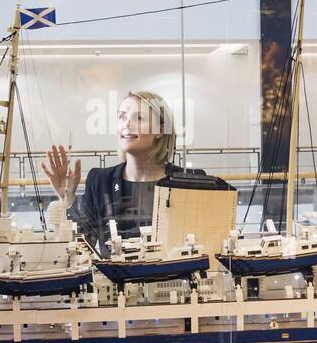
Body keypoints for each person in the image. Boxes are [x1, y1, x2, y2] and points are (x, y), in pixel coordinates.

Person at [41, 90, 200, 256]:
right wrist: (67, 198)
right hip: (112, 280)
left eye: (139, 118)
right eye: (122, 117)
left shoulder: (186, 182)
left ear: (160, 130)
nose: (127, 124)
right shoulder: (100, 181)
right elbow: (81, 249)